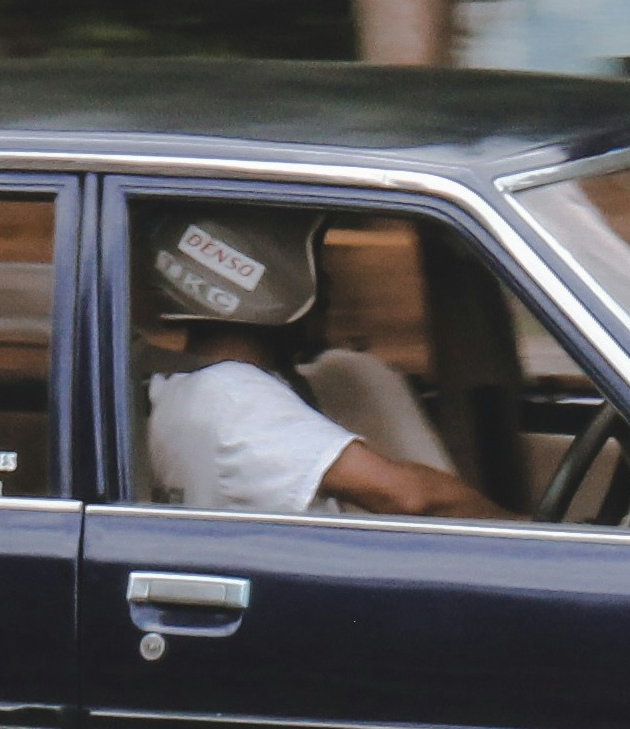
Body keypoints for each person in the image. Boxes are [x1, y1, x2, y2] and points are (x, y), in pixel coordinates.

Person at [139, 207, 503, 517]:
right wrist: (525, 528)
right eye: (315, 264)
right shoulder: (235, 397)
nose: (328, 286)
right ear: (273, 282)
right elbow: (407, 497)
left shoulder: (180, 385)